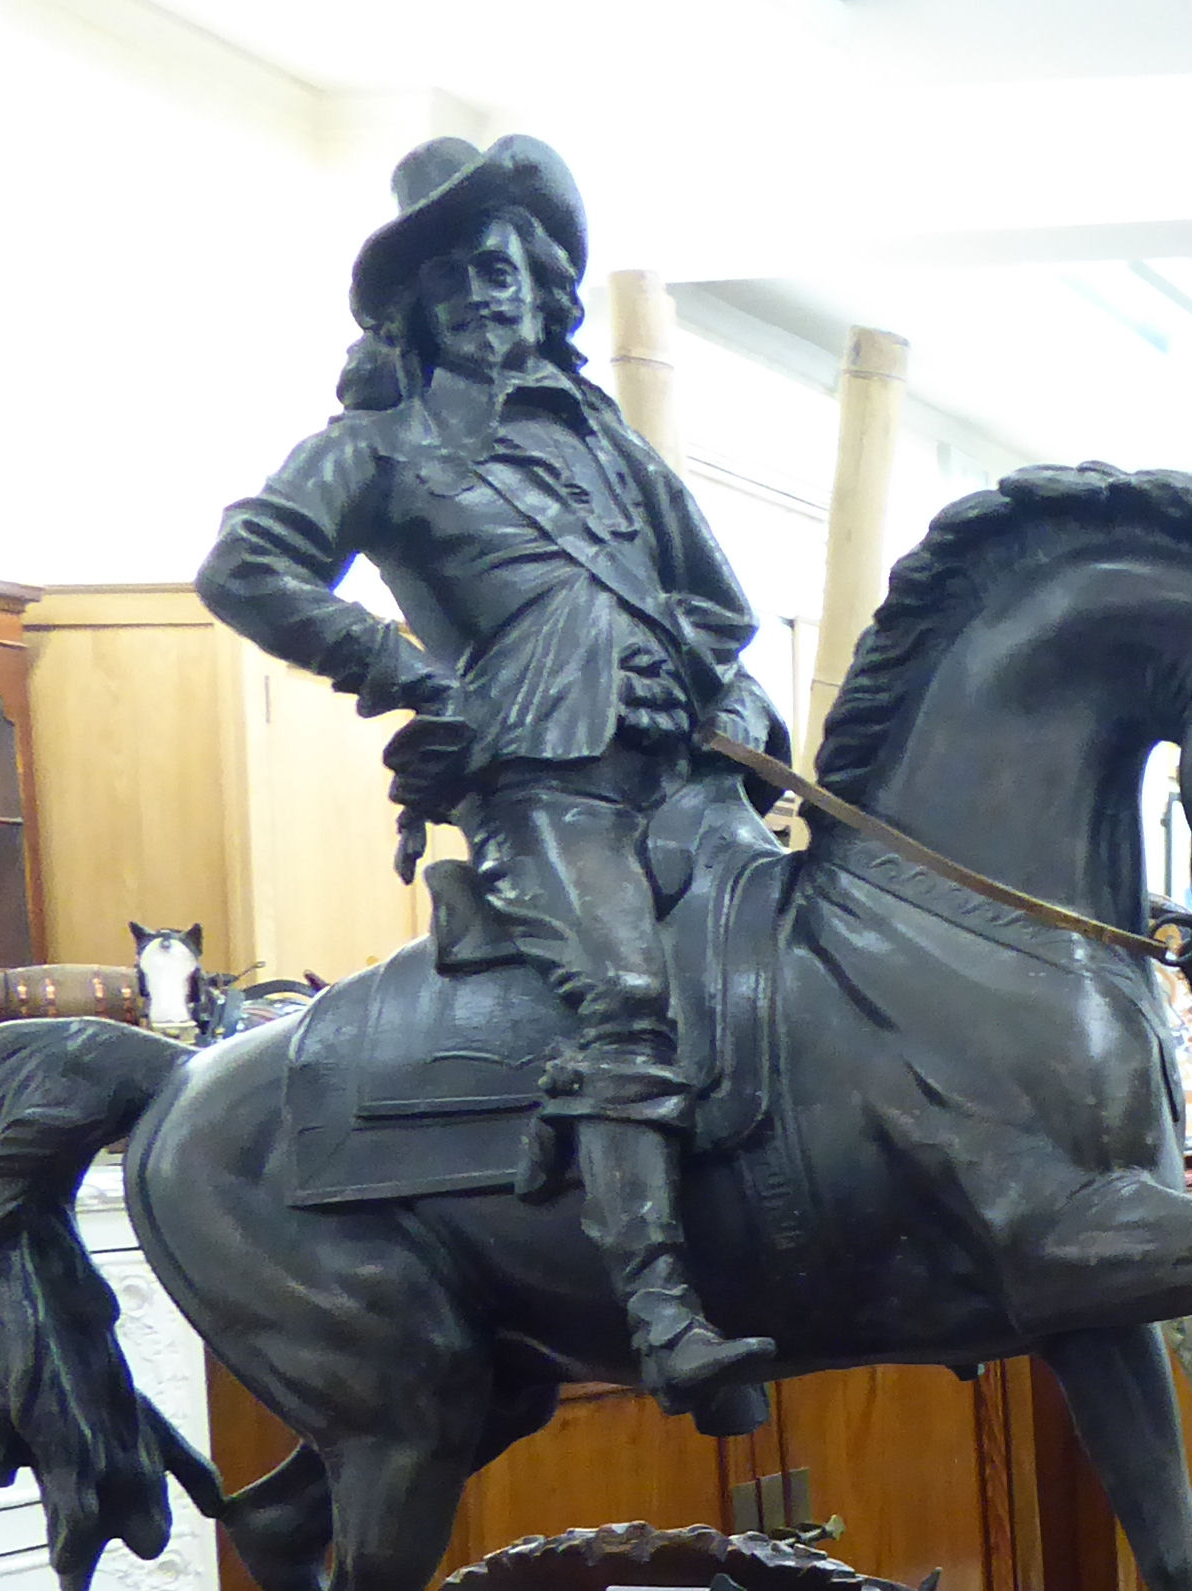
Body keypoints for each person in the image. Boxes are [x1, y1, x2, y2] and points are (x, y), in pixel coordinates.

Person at [199, 134, 784, 1429]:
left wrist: (706, 692)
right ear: (416, 302)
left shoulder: (607, 444)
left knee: (812, 959)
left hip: (683, 777)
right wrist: (412, 675)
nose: (490, 293)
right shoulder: (382, 449)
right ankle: (661, 1312)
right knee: (625, 991)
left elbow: (719, 608)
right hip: (542, 789)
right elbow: (247, 569)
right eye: (460, 274)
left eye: (511, 270)